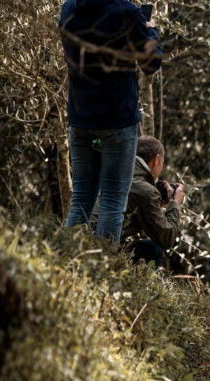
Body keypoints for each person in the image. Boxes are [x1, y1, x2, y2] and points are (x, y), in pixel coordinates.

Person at [60, 0, 163, 242]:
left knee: (81, 199)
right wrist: (150, 30)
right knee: (112, 201)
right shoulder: (127, 13)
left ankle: (66, 257)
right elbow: (151, 63)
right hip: (116, 121)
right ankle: (101, 261)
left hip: (81, 118)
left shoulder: (69, 8)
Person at [120, 135, 184, 268]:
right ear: (156, 159)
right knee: (154, 249)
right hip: (102, 245)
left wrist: (159, 200)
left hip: (83, 234)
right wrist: (175, 204)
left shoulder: (118, 169)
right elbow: (166, 238)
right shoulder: (146, 191)